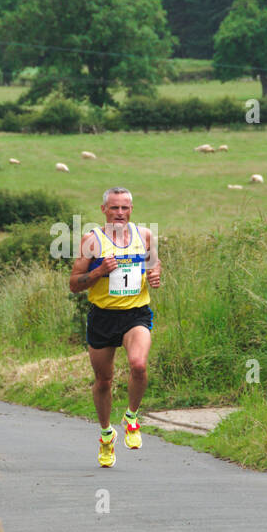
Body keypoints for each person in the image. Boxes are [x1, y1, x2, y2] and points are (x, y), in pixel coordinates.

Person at [68, 187, 161, 468]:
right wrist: (98, 272)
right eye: (114, 208)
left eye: (125, 208)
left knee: (139, 365)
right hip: (103, 317)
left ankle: (131, 417)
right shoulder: (91, 241)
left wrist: (155, 274)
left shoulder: (144, 235)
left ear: (131, 209)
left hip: (136, 314)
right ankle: (106, 435)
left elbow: (154, 265)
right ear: (103, 210)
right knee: (104, 380)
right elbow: (74, 284)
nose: (120, 213)